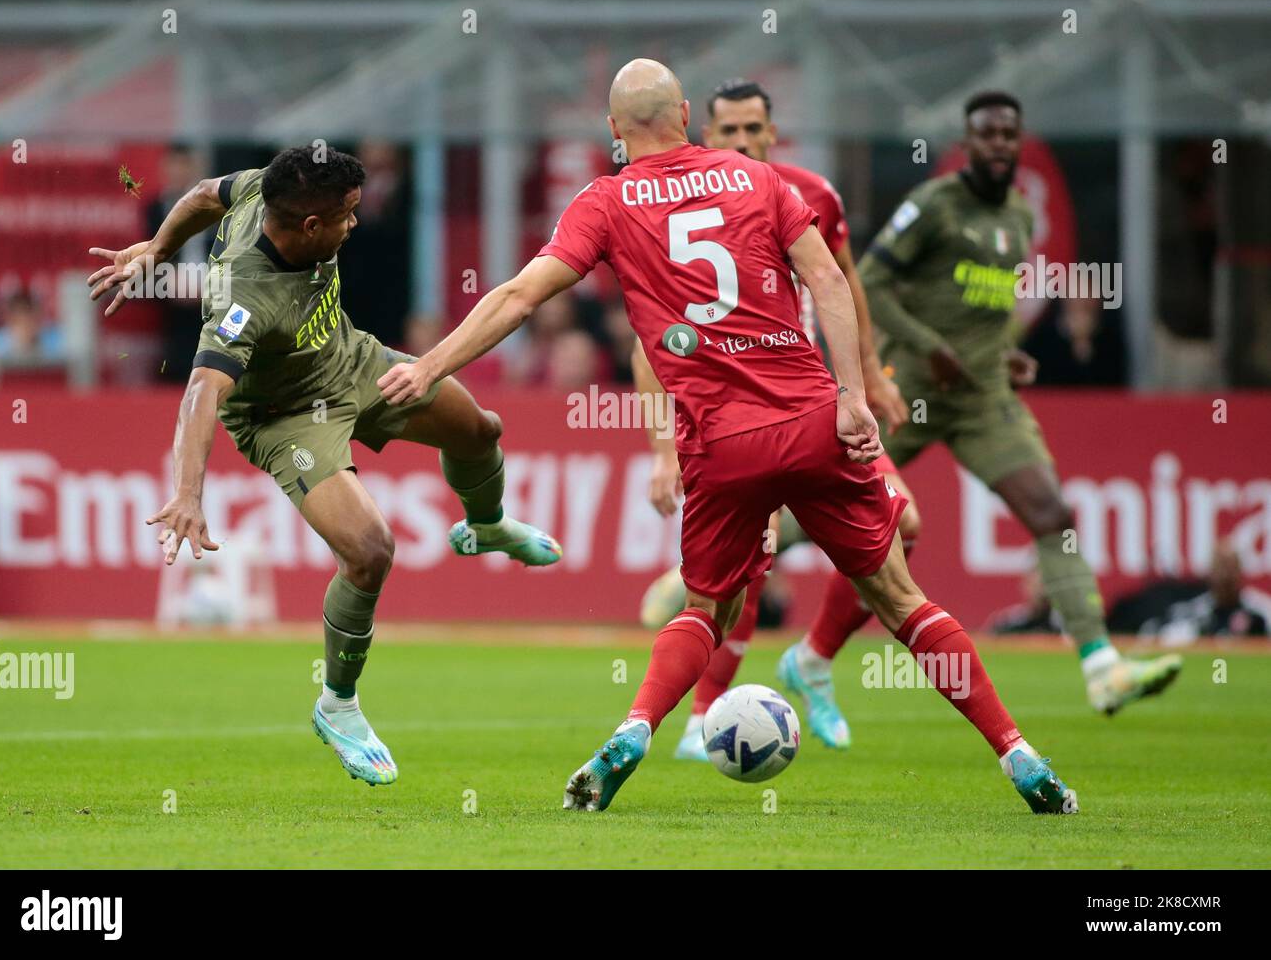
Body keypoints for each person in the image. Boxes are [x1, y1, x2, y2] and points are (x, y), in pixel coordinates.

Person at [377, 60, 1078, 815]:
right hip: (813, 422)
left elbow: (517, 296)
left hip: (720, 444)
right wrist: (853, 396)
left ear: (615, 131)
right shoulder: (760, 182)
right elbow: (832, 283)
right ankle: (1018, 753)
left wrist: (430, 366)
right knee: (903, 599)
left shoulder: (604, 201)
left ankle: (635, 729)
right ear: (687, 113)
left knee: (707, 606)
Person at [86, 145, 562, 787]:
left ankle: (488, 524)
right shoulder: (246, 301)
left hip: (349, 360)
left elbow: (201, 193)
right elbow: (202, 389)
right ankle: (337, 704)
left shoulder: (264, 188)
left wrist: (157, 247)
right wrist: (187, 492)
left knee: (480, 430)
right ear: (311, 227)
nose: (354, 224)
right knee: (370, 549)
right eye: (347, 215)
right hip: (285, 416)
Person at [861, 91, 1181, 714]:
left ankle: (1102, 667)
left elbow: (994, 306)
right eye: (987, 134)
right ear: (968, 141)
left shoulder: (1019, 218)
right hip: (914, 388)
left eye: (1010, 134)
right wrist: (929, 348)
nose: (999, 144)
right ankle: (693, 585)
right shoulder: (933, 206)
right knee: (825, 495)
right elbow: (870, 281)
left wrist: (1003, 351)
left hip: (983, 397)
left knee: (1052, 511)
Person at [631, 78, 920, 758]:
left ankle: (812, 657)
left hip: (814, 401)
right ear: (703, 132)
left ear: (771, 131)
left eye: (750, 130)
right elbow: (652, 334)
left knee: (904, 521)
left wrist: (869, 375)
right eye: (725, 130)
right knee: (746, 569)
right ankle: (701, 720)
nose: (739, 141)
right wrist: (661, 446)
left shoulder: (811, 194)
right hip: (734, 413)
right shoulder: (683, 207)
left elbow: (843, 281)